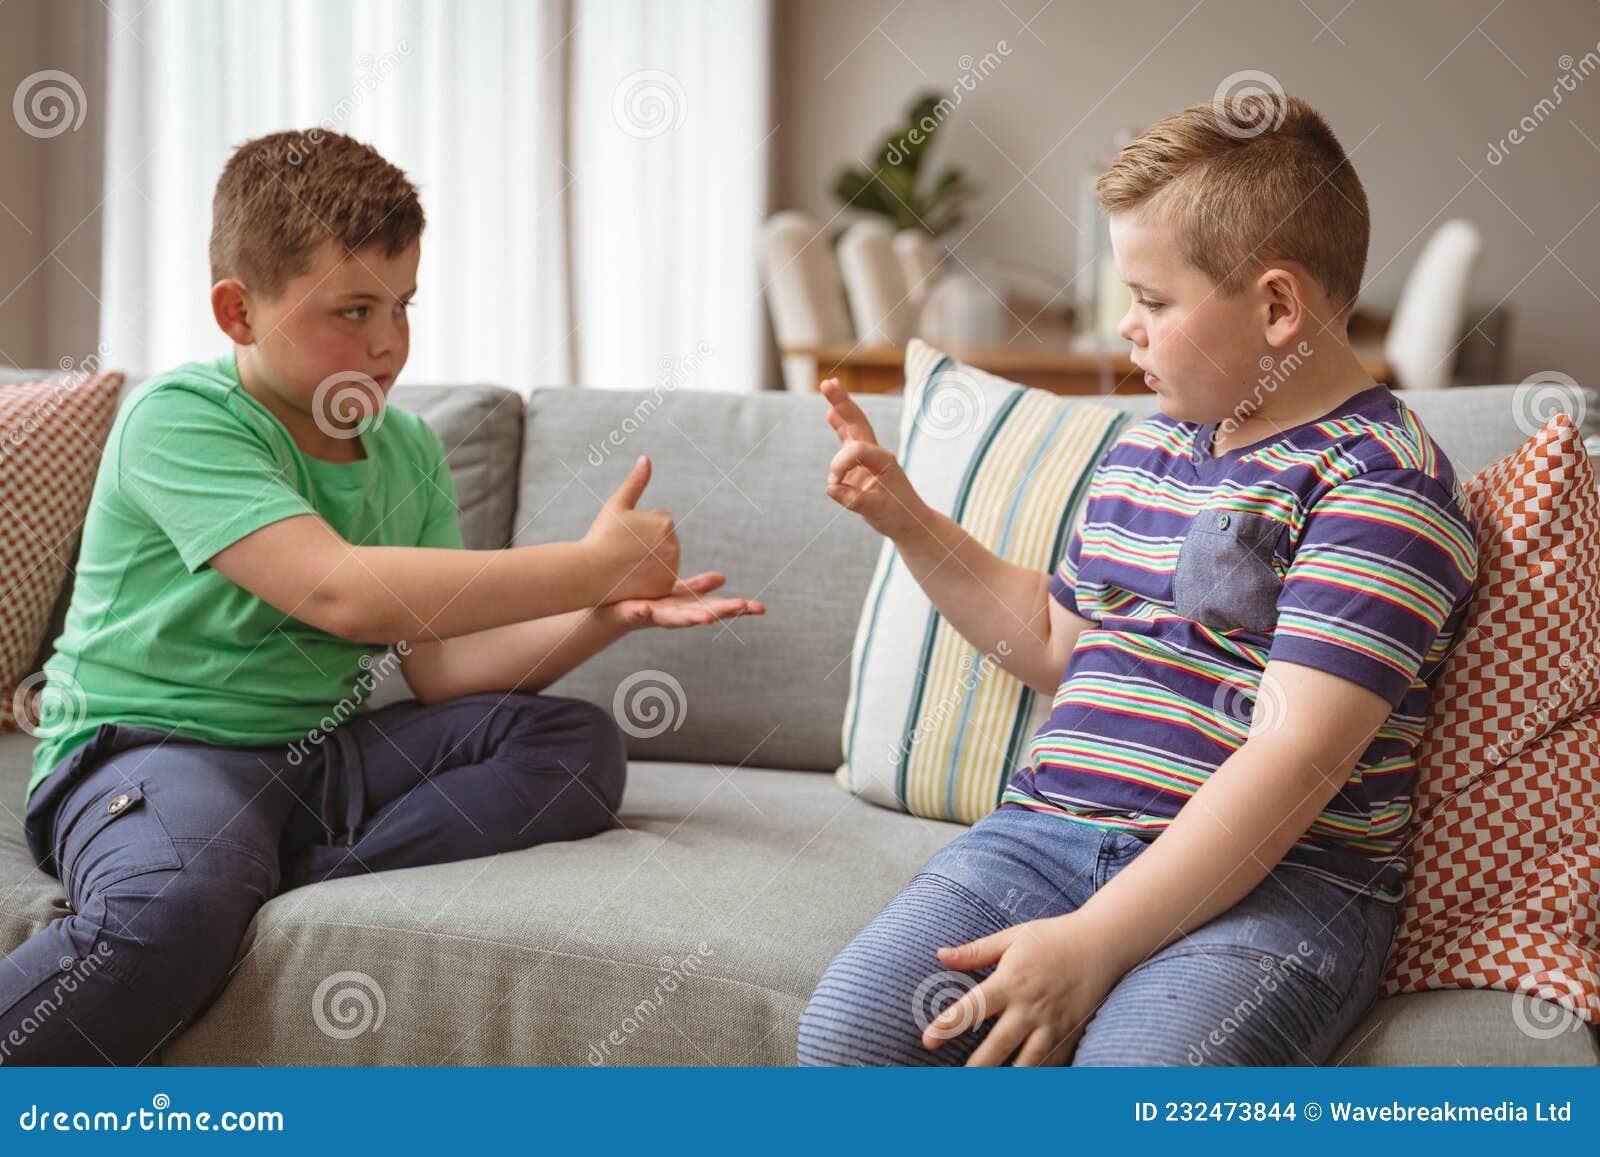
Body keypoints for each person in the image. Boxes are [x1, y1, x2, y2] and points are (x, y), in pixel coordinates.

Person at [0, 129, 763, 1065]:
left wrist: (602, 614)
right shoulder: (180, 419)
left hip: (317, 759)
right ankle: (216, 864)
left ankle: (259, 862)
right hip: (154, 750)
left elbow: (443, 668)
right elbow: (342, 594)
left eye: (403, 305)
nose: (389, 341)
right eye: (353, 310)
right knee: (169, 910)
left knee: (575, 747)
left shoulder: (408, 449)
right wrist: (593, 564)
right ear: (238, 311)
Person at [798, 93, 1478, 1066]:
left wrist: (1095, 940)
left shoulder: (1381, 483)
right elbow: (1052, 640)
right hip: (1045, 838)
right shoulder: (1146, 449)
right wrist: (910, 522)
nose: (1126, 327)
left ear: (1276, 307)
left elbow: (1295, 759)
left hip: (1282, 883)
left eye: (1153, 300)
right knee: (851, 1035)